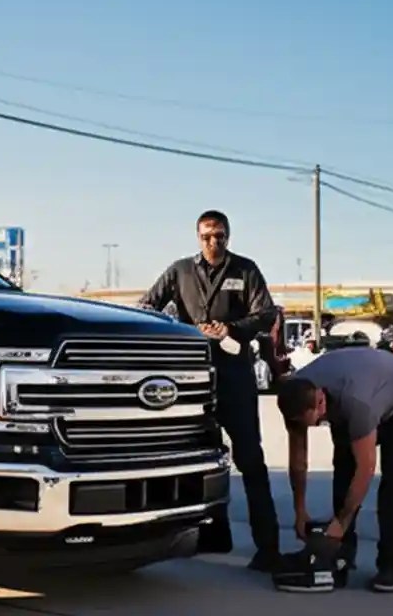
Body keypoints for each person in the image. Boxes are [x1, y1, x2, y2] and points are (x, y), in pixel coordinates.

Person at [138, 209, 281, 571]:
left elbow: (265, 314)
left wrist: (229, 329)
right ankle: (213, 534)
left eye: (219, 235)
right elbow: (145, 307)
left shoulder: (245, 270)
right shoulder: (180, 271)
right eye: (207, 236)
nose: (213, 242)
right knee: (199, 461)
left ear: (228, 236)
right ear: (197, 237)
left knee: (250, 460)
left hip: (234, 377)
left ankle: (269, 547)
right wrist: (183, 332)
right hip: (192, 381)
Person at [275, 342, 393, 593]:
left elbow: (366, 468)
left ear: (320, 402)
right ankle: (339, 557)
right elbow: (298, 462)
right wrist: (300, 511)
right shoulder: (294, 394)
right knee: (342, 470)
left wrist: (343, 521)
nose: (316, 427)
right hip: (360, 386)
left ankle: (391, 564)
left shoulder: (356, 403)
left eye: (317, 422)